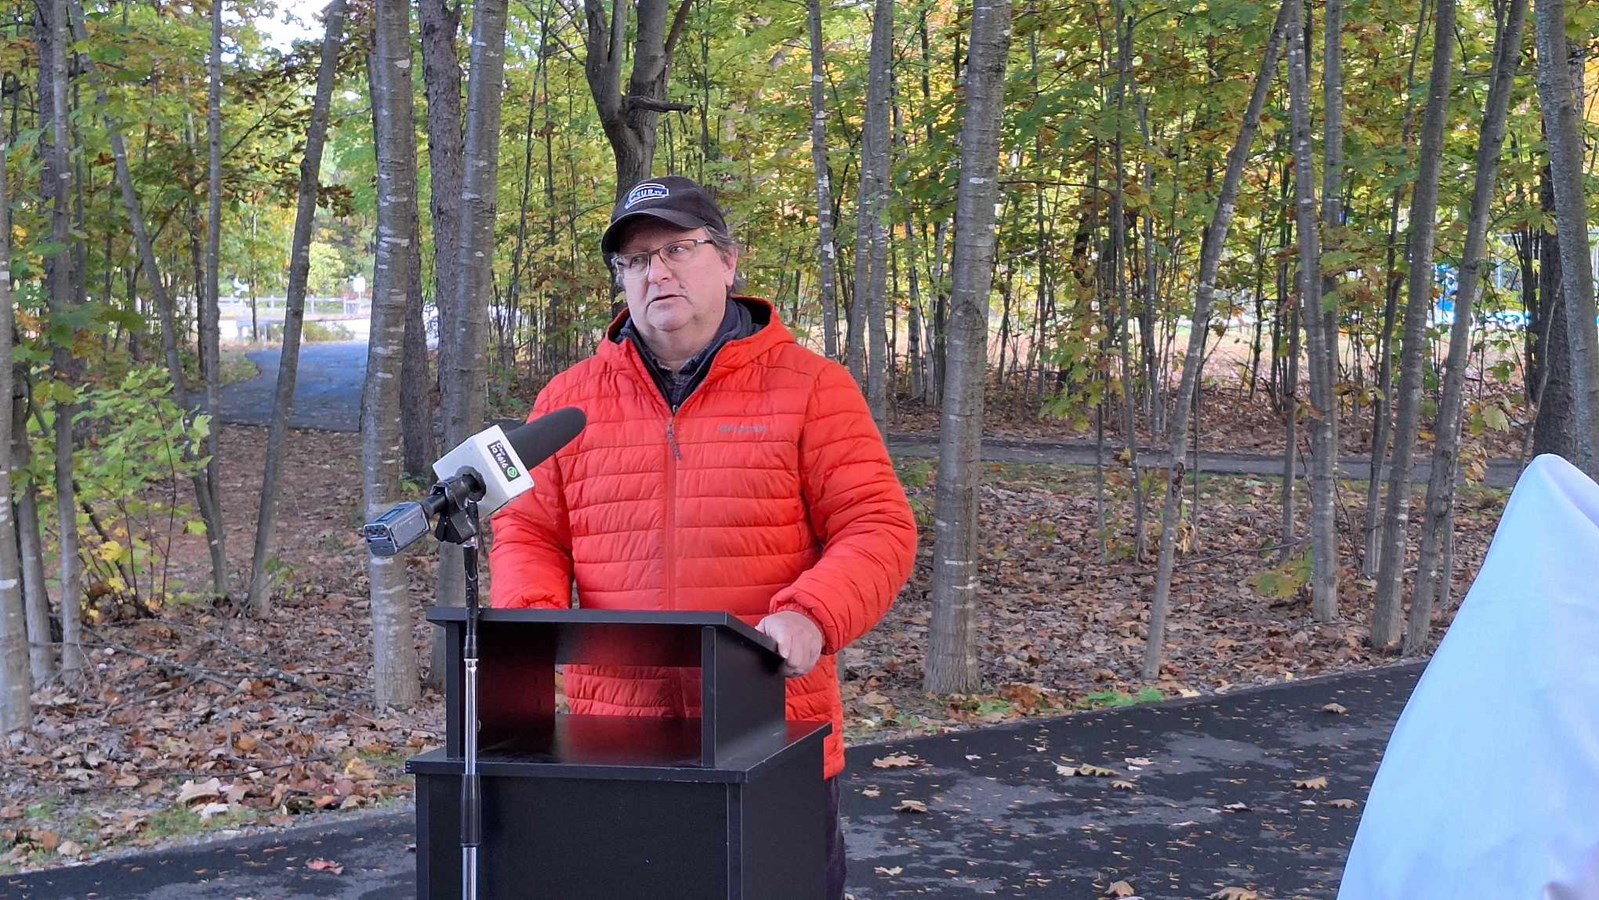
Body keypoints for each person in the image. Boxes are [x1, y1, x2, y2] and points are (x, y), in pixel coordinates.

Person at [487, 175, 918, 899]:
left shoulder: (813, 387)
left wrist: (810, 614)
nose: (656, 271)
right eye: (634, 259)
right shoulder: (566, 400)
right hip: (612, 735)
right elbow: (527, 530)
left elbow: (876, 525)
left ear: (726, 260)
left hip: (770, 732)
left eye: (677, 249)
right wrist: (531, 621)